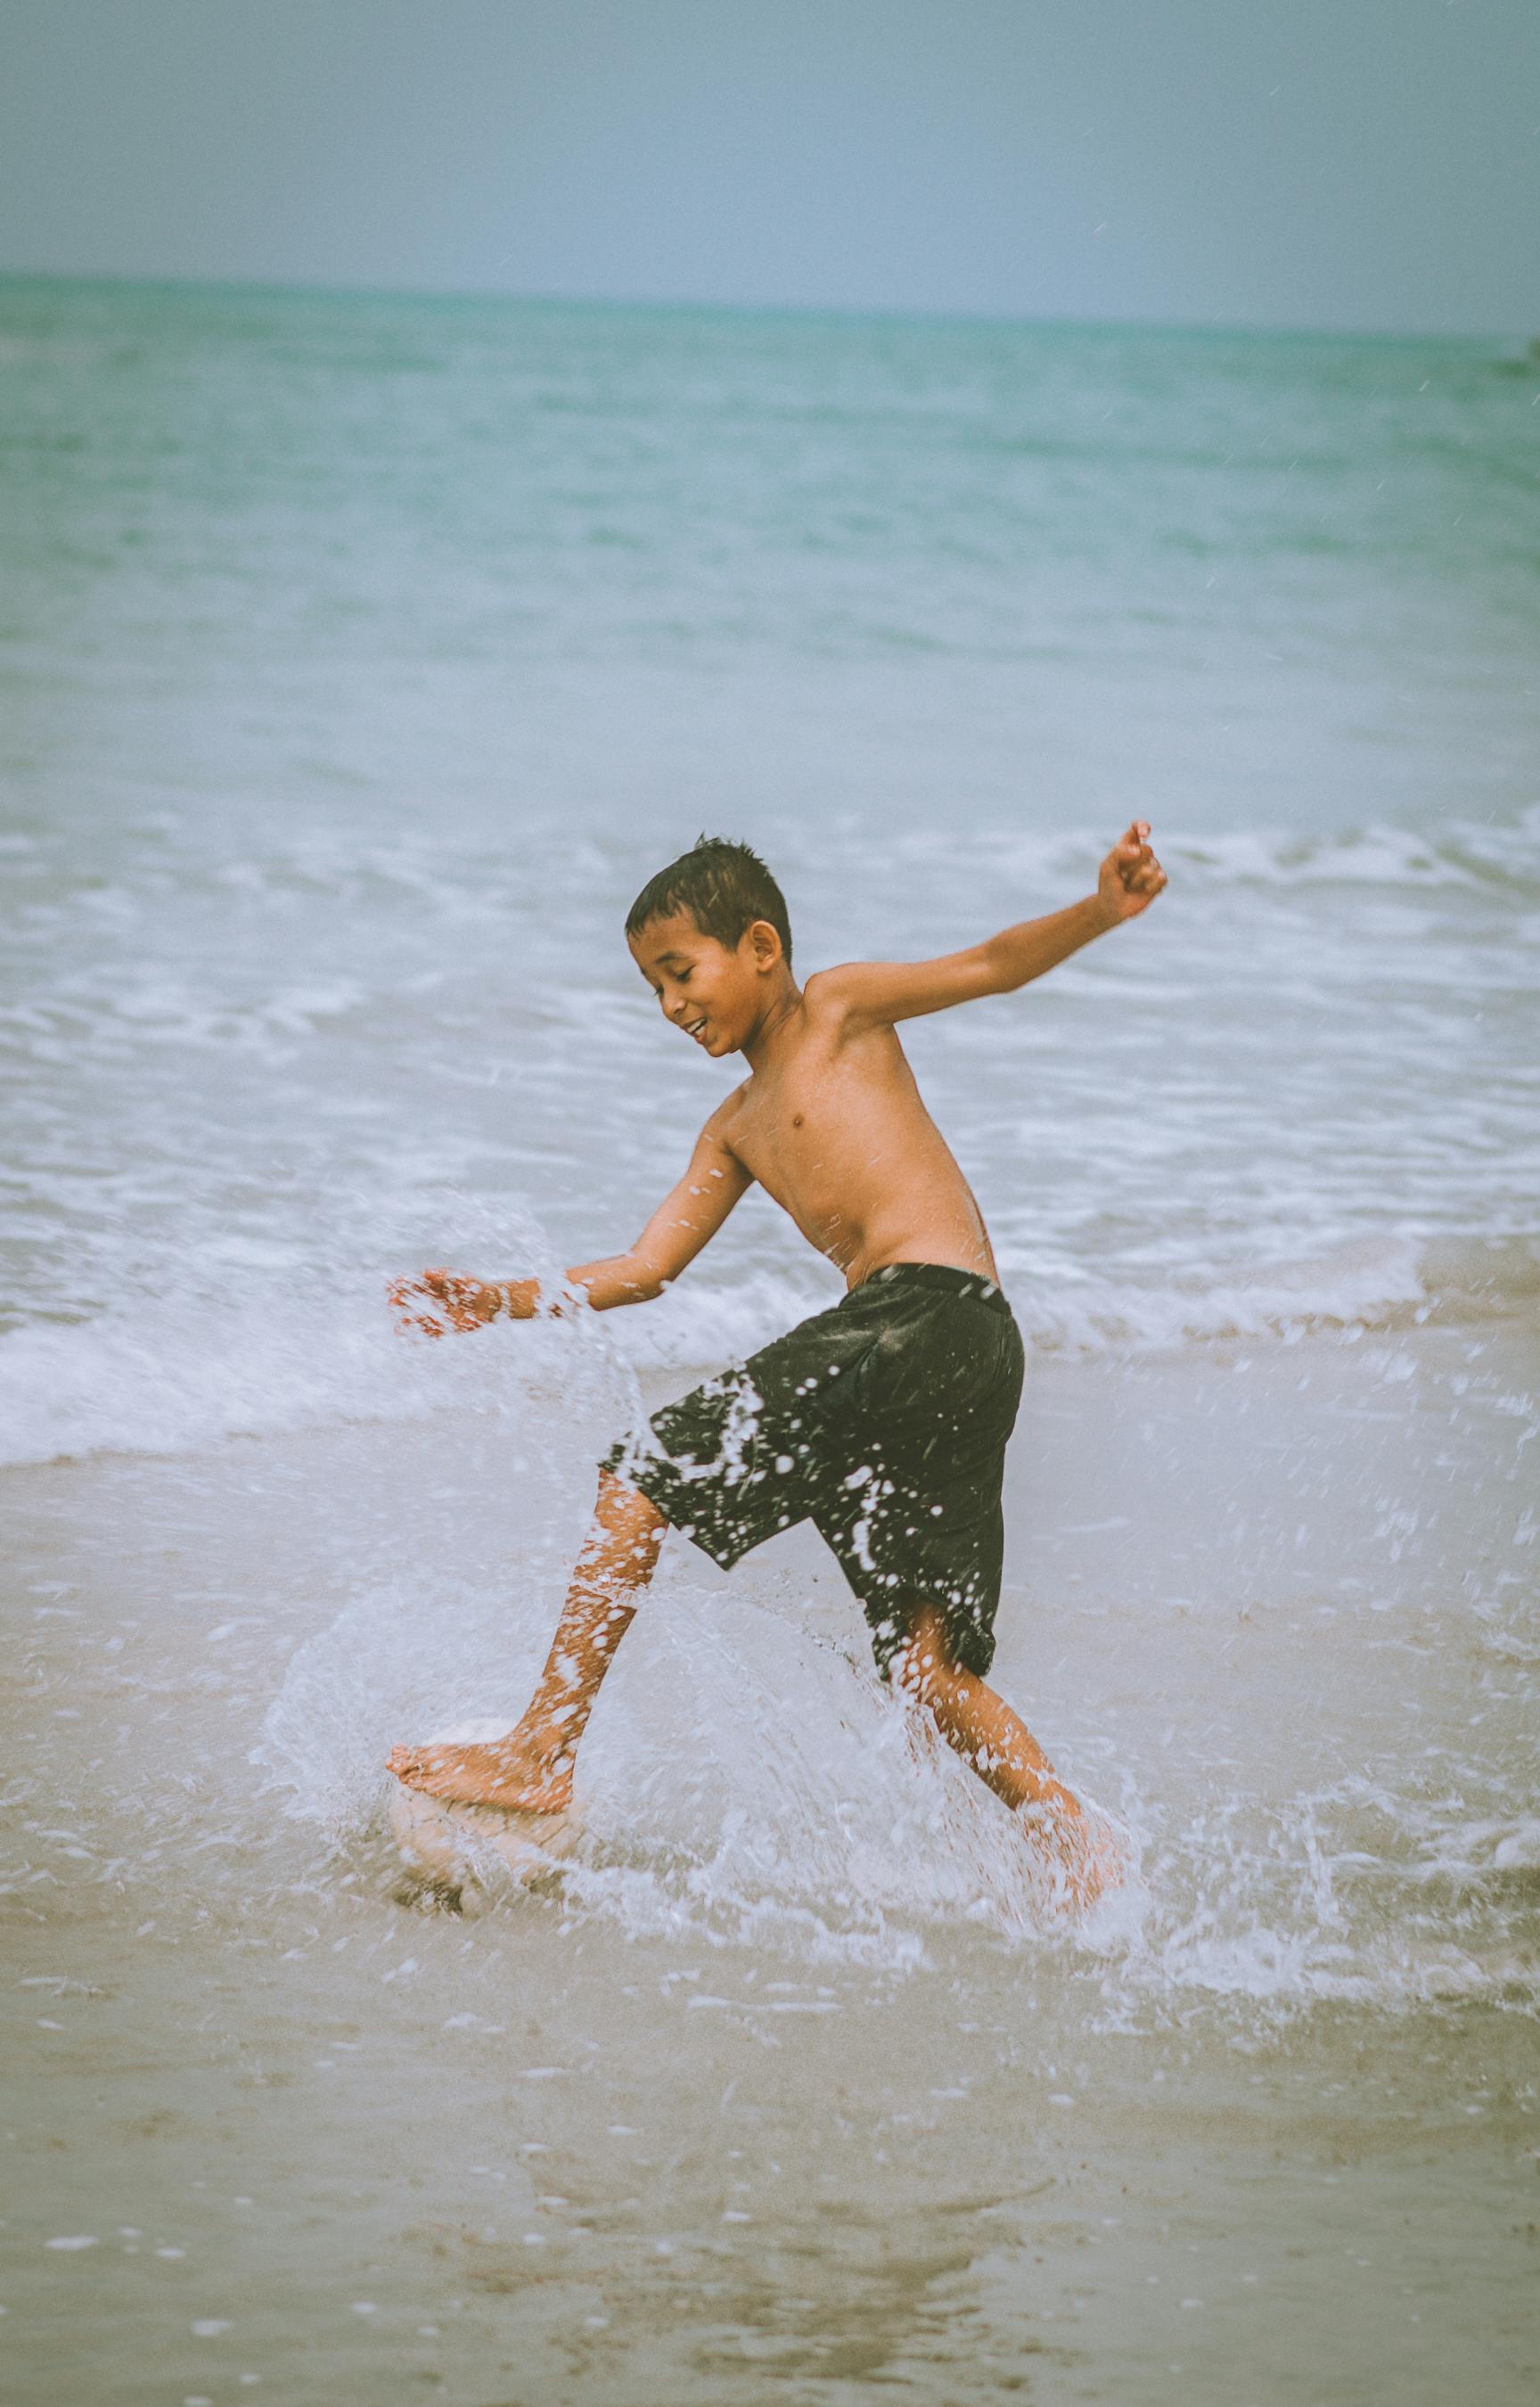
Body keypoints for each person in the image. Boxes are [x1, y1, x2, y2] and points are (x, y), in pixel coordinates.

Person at [387, 825, 1166, 1902]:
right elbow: (646, 1264)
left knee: (639, 1476)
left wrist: (1099, 911)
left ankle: (540, 1751)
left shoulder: (841, 1010)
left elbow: (989, 965)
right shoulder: (736, 1126)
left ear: (759, 946)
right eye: (652, 988)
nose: (671, 1005)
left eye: (680, 971)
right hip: (968, 1347)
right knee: (924, 1668)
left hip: (927, 1316)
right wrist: (498, 1302)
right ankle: (1079, 1850)